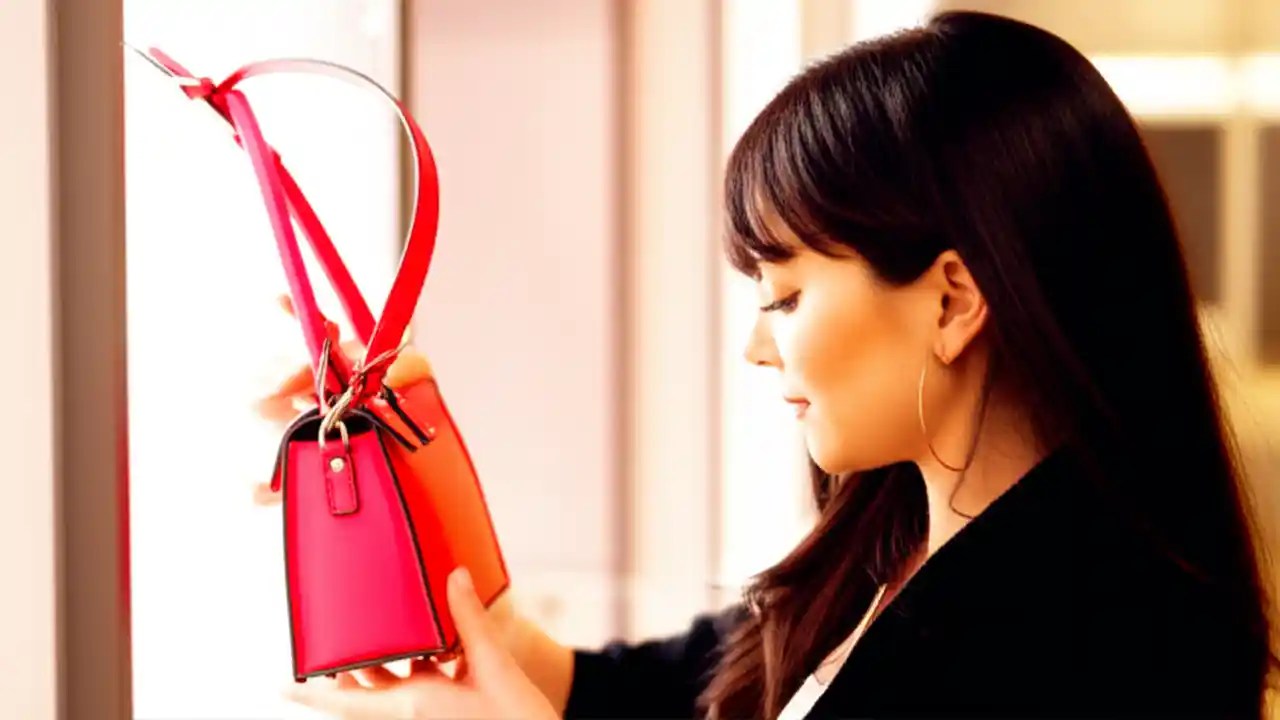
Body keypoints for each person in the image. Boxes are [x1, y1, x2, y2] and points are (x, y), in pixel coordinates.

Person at [255, 10, 1278, 719]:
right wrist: (420, 496)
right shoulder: (879, 548)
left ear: (952, 299)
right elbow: (645, 695)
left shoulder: (1102, 642)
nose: (755, 345)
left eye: (784, 297)